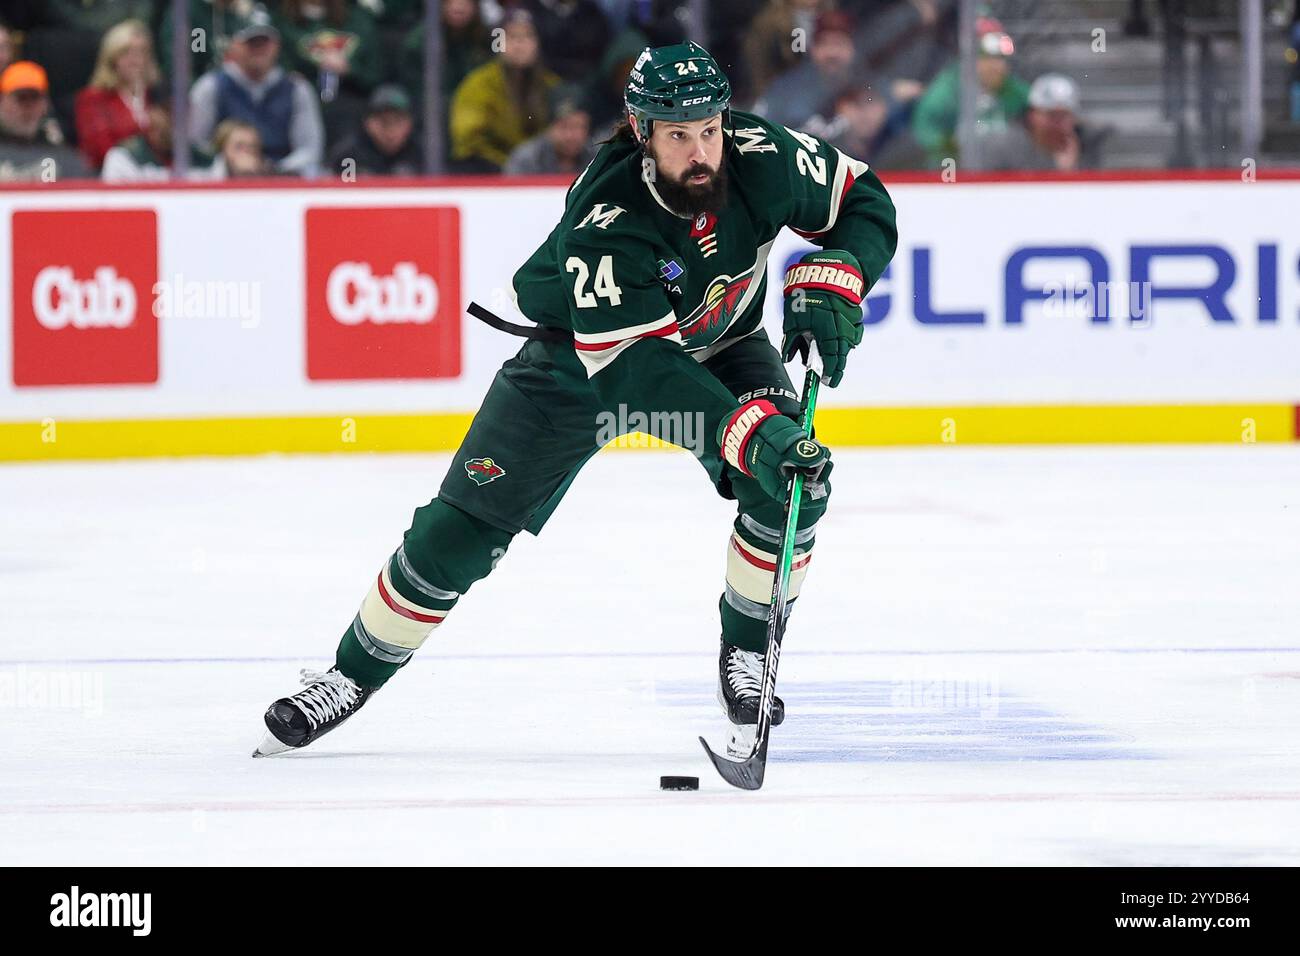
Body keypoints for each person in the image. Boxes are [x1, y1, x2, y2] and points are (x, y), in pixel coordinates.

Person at [253, 41, 897, 761]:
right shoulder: (608, 213)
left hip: (721, 341)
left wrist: (838, 272)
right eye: (677, 133)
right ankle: (350, 673)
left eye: (709, 128)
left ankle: (748, 656)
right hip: (584, 361)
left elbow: (862, 198)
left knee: (793, 484)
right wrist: (747, 430)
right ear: (639, 131)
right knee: (460, 530)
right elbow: (637, 373)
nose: (700, 150)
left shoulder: (762, 151)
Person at [188, 8, 324, 176]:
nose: (259, 50)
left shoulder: (296, 88)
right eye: (252, 43)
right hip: (224, 179)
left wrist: (271, 169)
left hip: (282, 180)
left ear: (276, 46)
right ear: (234, 45)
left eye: (265, 42)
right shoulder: (211, 86)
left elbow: (310, 151)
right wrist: (228, 164)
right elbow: (195, 145)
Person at [448, 10, 560, 172]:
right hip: (492, 174)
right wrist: (510, 166)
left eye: (528, 36)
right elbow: (468, 141)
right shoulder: (477, 86)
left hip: (542, 172)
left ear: (537, 44)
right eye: (512, 37)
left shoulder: (552, 85)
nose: (519, 44)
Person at [911, 16, 1029, 167]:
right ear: (971, 59)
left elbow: (1034, 108)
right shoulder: (947, 91)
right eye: (990, 59)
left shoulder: (1010, 88)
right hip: (954, 171)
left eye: (1001, 59)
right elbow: (925, 130)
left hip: (1002, 171)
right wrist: (951, 146)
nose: (998, 66)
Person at [751, 11, 863, 133]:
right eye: (823, 43)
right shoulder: (786, 89)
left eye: (839, 43)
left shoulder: (871, 86)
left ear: (853, 47)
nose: (832, 52)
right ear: (812, 49)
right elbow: (756, 129)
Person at [74, 19, 158, 172]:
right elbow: (100, 149)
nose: (136, 60)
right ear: (111, 58)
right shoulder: (93, 99)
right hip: (109, 181)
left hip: (156, 178)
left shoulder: (156, 96)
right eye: (127, 52)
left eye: (142, 52)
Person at [978, 73, 1105, 172]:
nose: (1058, 123)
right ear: (1032, 115)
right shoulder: (1004, 146)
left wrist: (1070, 170)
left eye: (1064, 116)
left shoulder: (1087, 145)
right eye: (1051, 115)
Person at [0, 60, 88, 181]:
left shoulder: (62, 155)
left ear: (45, 105)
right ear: (2, 101)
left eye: (34, 98)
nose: (28, 108)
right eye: (21, 98)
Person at [326, 84, 423, 177]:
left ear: (410, 123)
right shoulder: (348, 157)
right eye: (383, 122)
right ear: (368, 122)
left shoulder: (424, 155)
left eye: (398, 121)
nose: (391, 130)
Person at [504, 84, 596, 175]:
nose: (570, 136)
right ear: (549, 127)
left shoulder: (596, 158)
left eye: (578, 127)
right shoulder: (527, 159)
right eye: (564, 126)